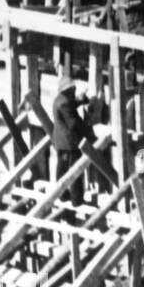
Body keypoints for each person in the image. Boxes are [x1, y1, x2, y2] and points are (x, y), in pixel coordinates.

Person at [51, 76, 95, 207]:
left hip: (60, 142)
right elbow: (74, 123)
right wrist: (88, 132)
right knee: (76, 170)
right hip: (70, 143)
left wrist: (81, 101)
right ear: (68, 90)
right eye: (73, 89)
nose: (75, 90)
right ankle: (77, 200)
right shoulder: (65, 103)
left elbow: (71, 104)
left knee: (62, 169)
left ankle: (62, 195)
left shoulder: (59, 100)